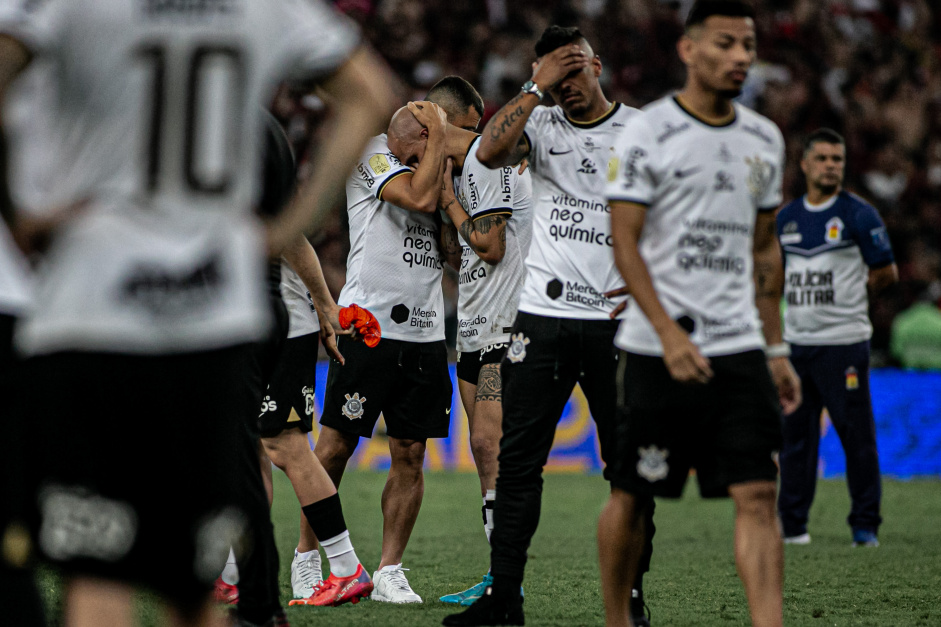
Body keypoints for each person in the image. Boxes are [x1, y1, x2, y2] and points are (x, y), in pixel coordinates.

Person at [0, 1, 395, 625]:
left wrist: (20, 205)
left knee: (100, 576)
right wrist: (294, 224)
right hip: (212, 317)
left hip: (93, 309)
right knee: (191, 587)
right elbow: (371, 93)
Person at [444, 25, 654, 627]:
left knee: (628, 470)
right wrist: (534, 88)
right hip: (541, 319)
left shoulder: (641, 130)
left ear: (598, 63)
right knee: (517, 463)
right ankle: (504, 600)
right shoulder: (540, 124)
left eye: (575, 72)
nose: (568, 88)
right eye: (555, 78)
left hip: (616, 324)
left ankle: (630, 602)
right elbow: (485, 152)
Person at [601, 1, 801, 626]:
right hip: (655, 345)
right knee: (632, 495)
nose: (742, 56)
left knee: (759, 491)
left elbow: (765, 250)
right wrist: (666, 333)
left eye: (748, 45)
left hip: (737, 343)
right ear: (689, 50)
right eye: (726, 43)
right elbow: (624, 241)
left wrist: (775, 346)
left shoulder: (764, 139)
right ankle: (615, 619)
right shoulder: (647, 132)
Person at [385, 77, 534, 607]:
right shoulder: (461, 168)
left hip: (505, 324)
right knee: (483, 449)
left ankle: (505, 581)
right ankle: (499, 576)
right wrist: (444, 200)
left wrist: (447, 200)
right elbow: (459, 255)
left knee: (491, 445)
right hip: (473, 327)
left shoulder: (485, 161)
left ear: (433, 129)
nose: (406, 163)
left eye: (409, 152)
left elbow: (489, 246)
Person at [314, 98, 466, 604]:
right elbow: (418, 200)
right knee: (334, 447)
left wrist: (450, 196)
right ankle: (308, 558)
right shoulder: (373, 153)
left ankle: (389, 570)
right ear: (418, 137)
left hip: (424, 334)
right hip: (367, 327)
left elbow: (450, 254)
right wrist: (442, 150)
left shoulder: (437, 171)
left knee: (411, 454)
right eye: (435, 138)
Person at [776, 128, 898, 548]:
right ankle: (792, 527)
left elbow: (887, 273)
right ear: (806, 164)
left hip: (844, 344)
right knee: (795, 438)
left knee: (855, 436)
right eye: (824, 158)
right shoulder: (786, 219)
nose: (831, 166)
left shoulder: (859, 215)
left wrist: (850, 301)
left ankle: (865, 525)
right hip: (796, 345)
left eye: (838, 159)